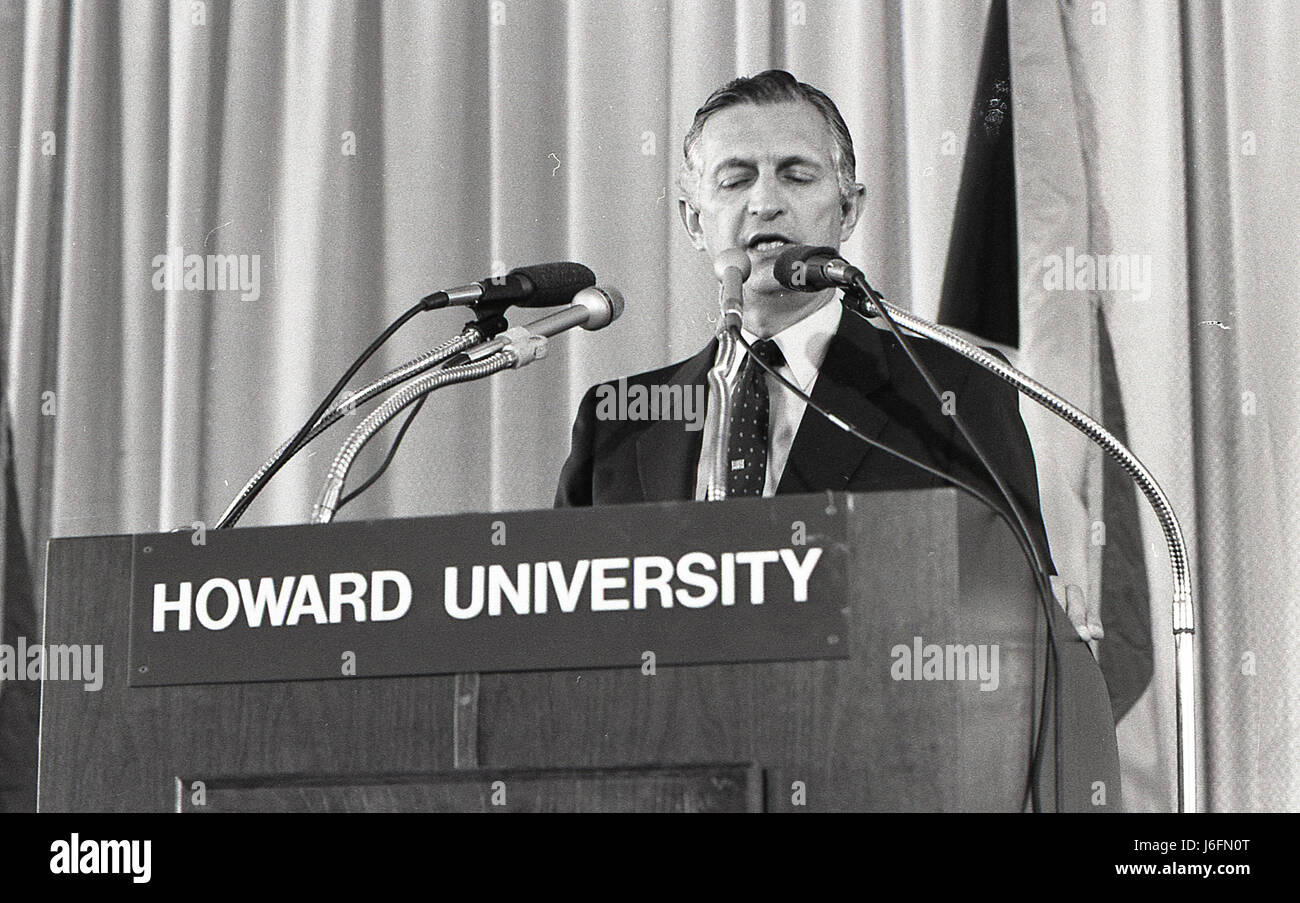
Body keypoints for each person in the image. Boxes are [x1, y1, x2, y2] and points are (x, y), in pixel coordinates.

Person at [555, 69, 1053, 572]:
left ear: (849, 210)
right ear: (692, 220)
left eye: (796, 176)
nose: (766, 203)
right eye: (735, 180)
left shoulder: (953, 388)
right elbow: (561, 619)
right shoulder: (616, 419)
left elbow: (1017, 607)